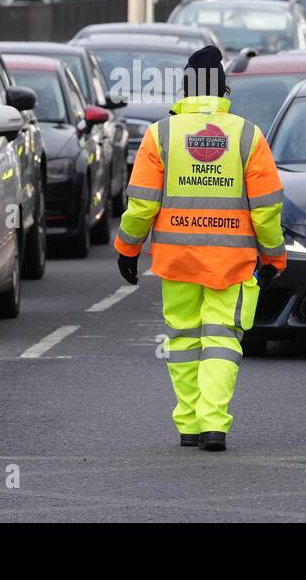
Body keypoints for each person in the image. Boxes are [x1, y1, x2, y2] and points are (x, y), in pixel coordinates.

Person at [114, 45, 286, 453]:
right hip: (233, 262)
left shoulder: (160, 134)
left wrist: (128, 248)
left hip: (176, 260)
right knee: (222, 339)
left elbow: (142, 204)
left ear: (185, 88)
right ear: (224, 90)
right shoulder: (248, 135)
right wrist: (274, 255)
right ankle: (214, 425)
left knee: (183, 339)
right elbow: (266, 208)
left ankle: (189, 424)